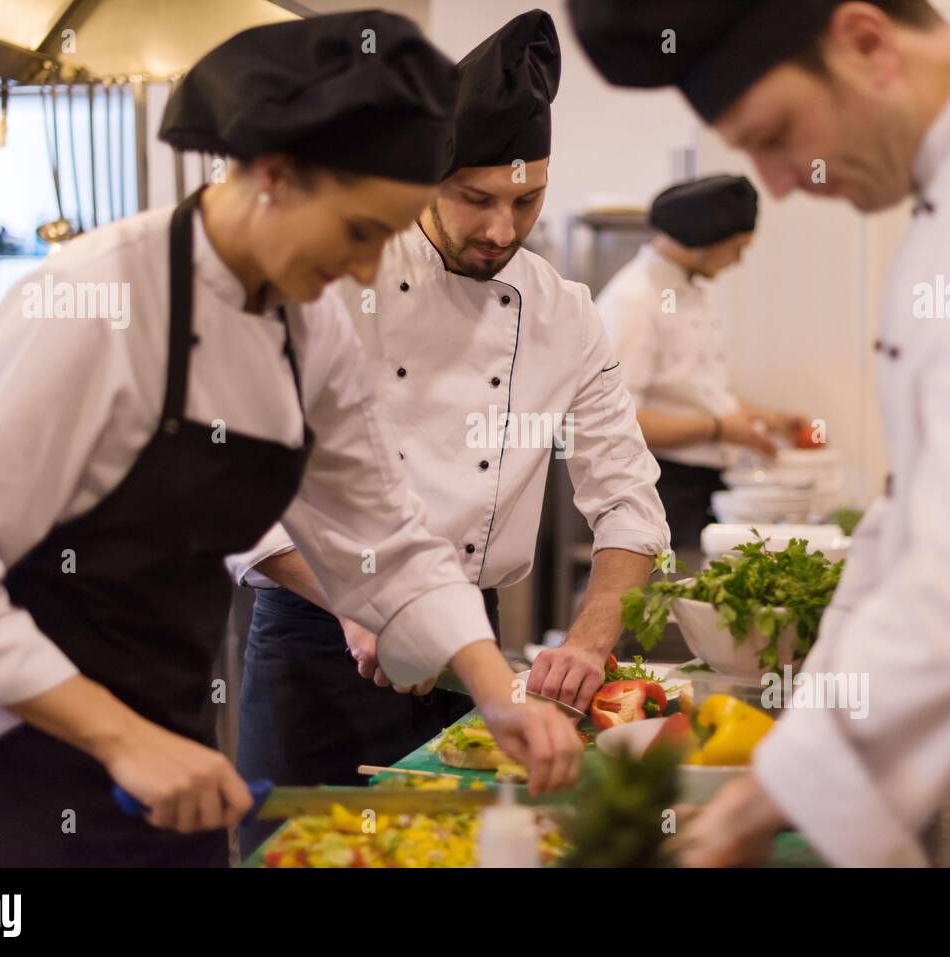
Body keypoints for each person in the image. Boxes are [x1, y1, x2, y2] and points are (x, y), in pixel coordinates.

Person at [0, 13, 581, 867]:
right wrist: (118, 736)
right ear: (274, 175)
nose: (365, 271)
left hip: (174, 745)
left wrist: (495, 693)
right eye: (358, 233)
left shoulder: (305, 327)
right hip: (20, 753)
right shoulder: (91, 302)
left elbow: (383, 538)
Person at [573, 0, 950, 866]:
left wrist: (771, 795)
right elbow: (915, 520)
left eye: (775, 134)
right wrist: (796, 746)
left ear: (865, 42)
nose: (775, 182)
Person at [227, 9, 669, 851]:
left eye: (526, 200)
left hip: (473, 651)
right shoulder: (342, 274)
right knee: (303, 855)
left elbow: (628, 498)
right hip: (323, 641)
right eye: (475, 200)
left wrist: (592, 631)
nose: (502, 230)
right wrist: (367, 603)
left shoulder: (563, 313)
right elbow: (247, 494)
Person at [598, 174, 806, 555]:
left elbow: (691, 391)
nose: (739, 261)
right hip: (663, 489)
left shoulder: (689, 289)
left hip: (702, 488)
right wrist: (719, 429)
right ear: (702, 243)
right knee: (668, 605)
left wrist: (764, 417)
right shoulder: (634, 299)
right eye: (738, 248)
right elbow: (617, 420)